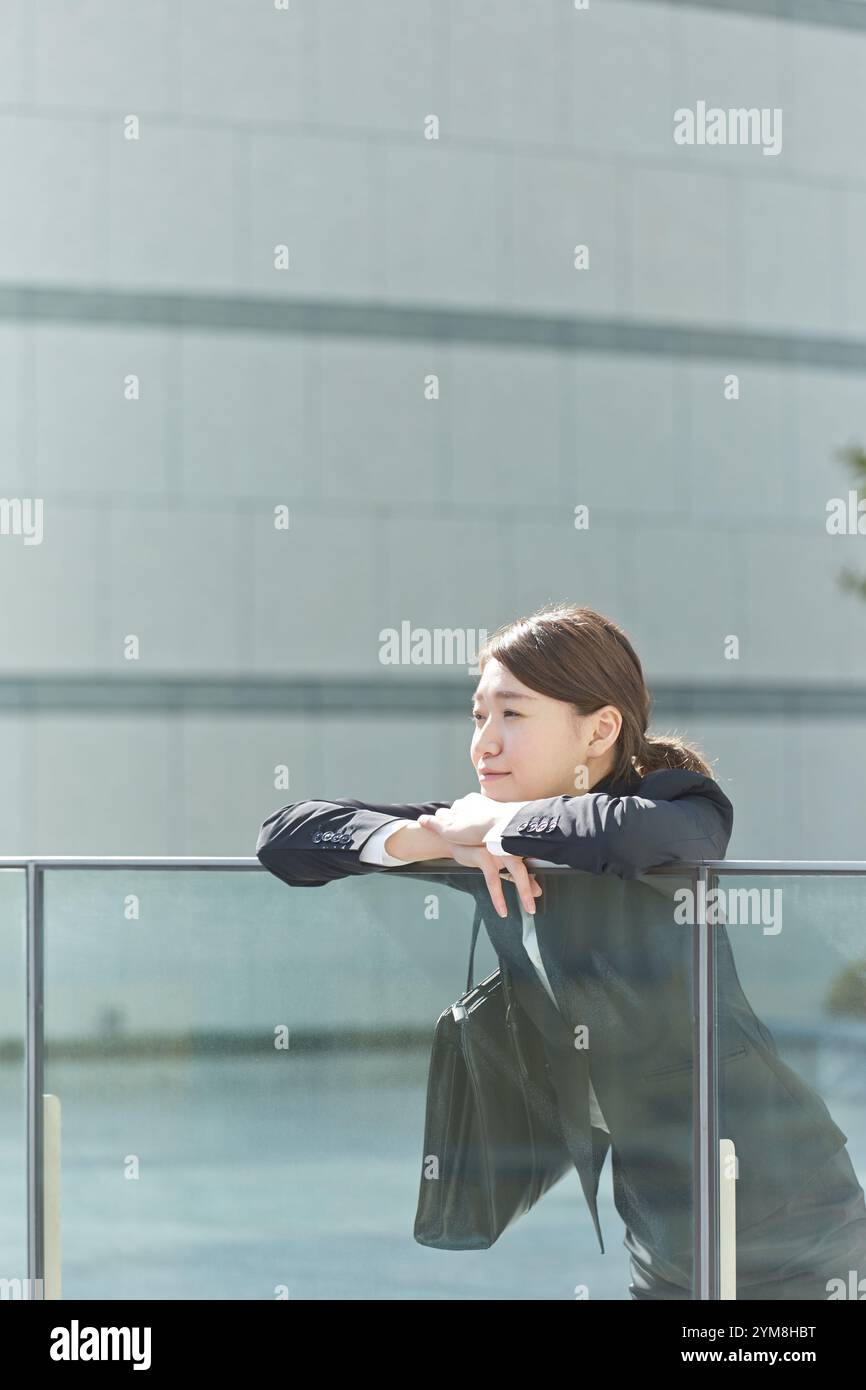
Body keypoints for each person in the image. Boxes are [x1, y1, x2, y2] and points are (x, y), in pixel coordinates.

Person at [255, 602, 866, 1300]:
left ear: (600, 729)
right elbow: (287, 837)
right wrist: (437, 839)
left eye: (512, 715)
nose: (484, 742)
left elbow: (646, 837)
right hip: (659, 1226)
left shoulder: (667, 803)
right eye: (478, 715)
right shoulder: (477, 843)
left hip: (789, 1212)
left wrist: (501, 824)